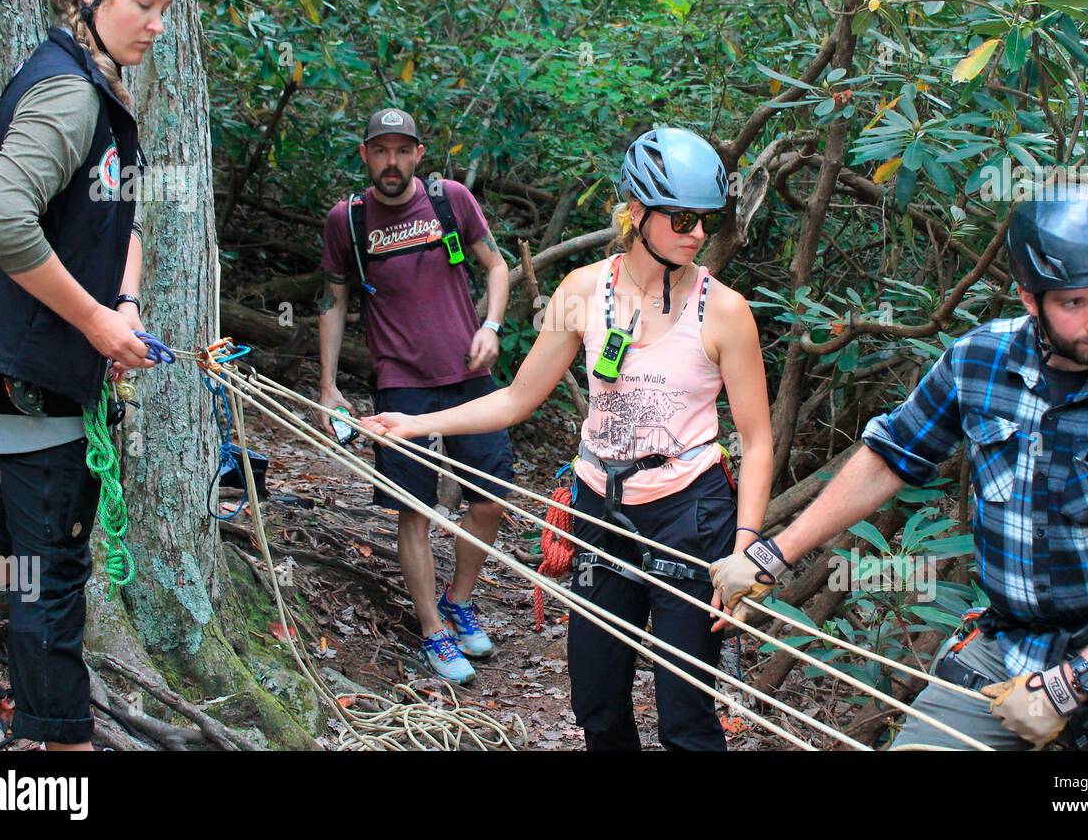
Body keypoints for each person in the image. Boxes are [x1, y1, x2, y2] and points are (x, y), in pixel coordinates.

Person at [711, 186, 1088, 750]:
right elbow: (891, 458)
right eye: (1074, 303)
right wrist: (772, 554)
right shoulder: (978, 362)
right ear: (1030, 299)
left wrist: (1069, 685)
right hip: (1010, 643)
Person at [363, 127, 774, 749]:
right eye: (682, 218)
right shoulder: (580, 292)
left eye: (706, 222)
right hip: (600, 508)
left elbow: (758, 437)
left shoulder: (726, 311)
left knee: (686, 712)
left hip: (692, 511)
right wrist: (417, 424)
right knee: (596, 699)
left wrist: (745, 548)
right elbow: (516, 399)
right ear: (637, 212)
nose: (696, 234)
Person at [0, 0, 182, 750]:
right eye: (143, 3)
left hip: (37, 346)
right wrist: (93, 324)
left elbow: (122, 221)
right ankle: (57, 755)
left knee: (31, 502)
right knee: (56, 568)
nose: (156, 24)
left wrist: (126, 310)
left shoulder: (100, 87)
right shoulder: (68, 91)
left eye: (164, 9)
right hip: (27, 351)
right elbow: (3, 218)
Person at [318, 108, 514, 684]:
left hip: (469, 375)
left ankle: (459, 599)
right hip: (400, 384)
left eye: (403, 151)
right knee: (415, 511)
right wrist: (329, 386)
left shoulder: (450, 199)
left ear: (418, 155)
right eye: (381, 151)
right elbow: (334, 304)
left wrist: (492, 325)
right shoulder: (347, 221)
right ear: (365, 156)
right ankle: (432, 630)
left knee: (490, 499)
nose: (392, 163)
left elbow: (497, 265)